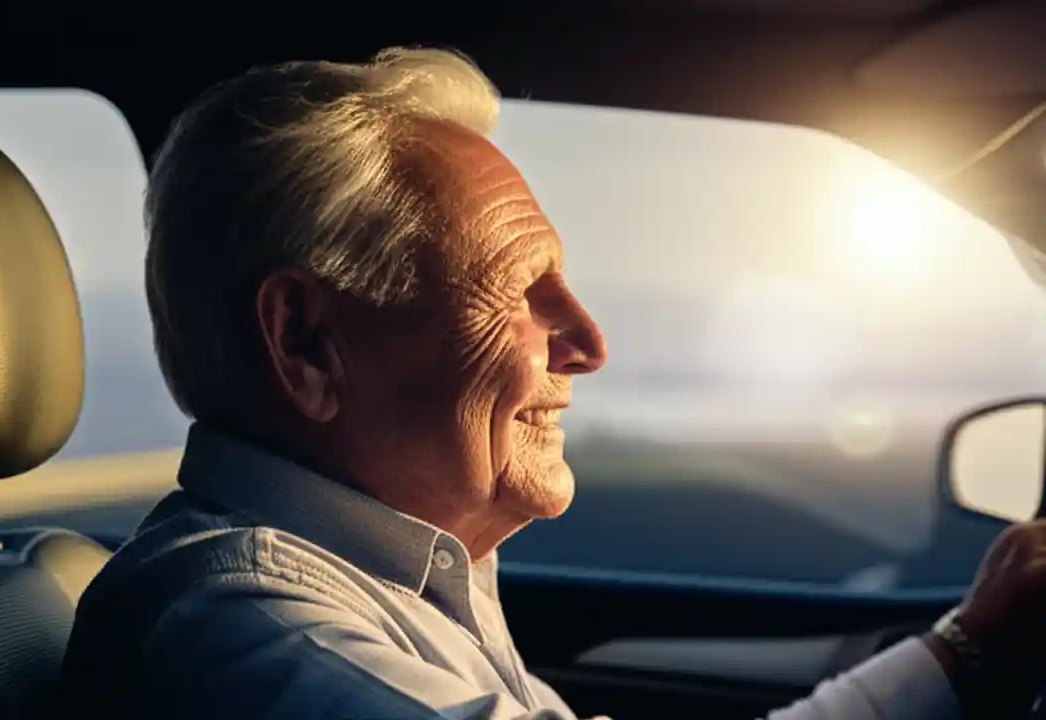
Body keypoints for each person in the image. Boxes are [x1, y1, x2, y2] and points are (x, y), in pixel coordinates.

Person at [60, 47, 1046, 719]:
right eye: (519, 289)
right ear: (307, 343)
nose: (584, 342)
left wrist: (961, 651)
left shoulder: (382, 587)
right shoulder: (251, 631)